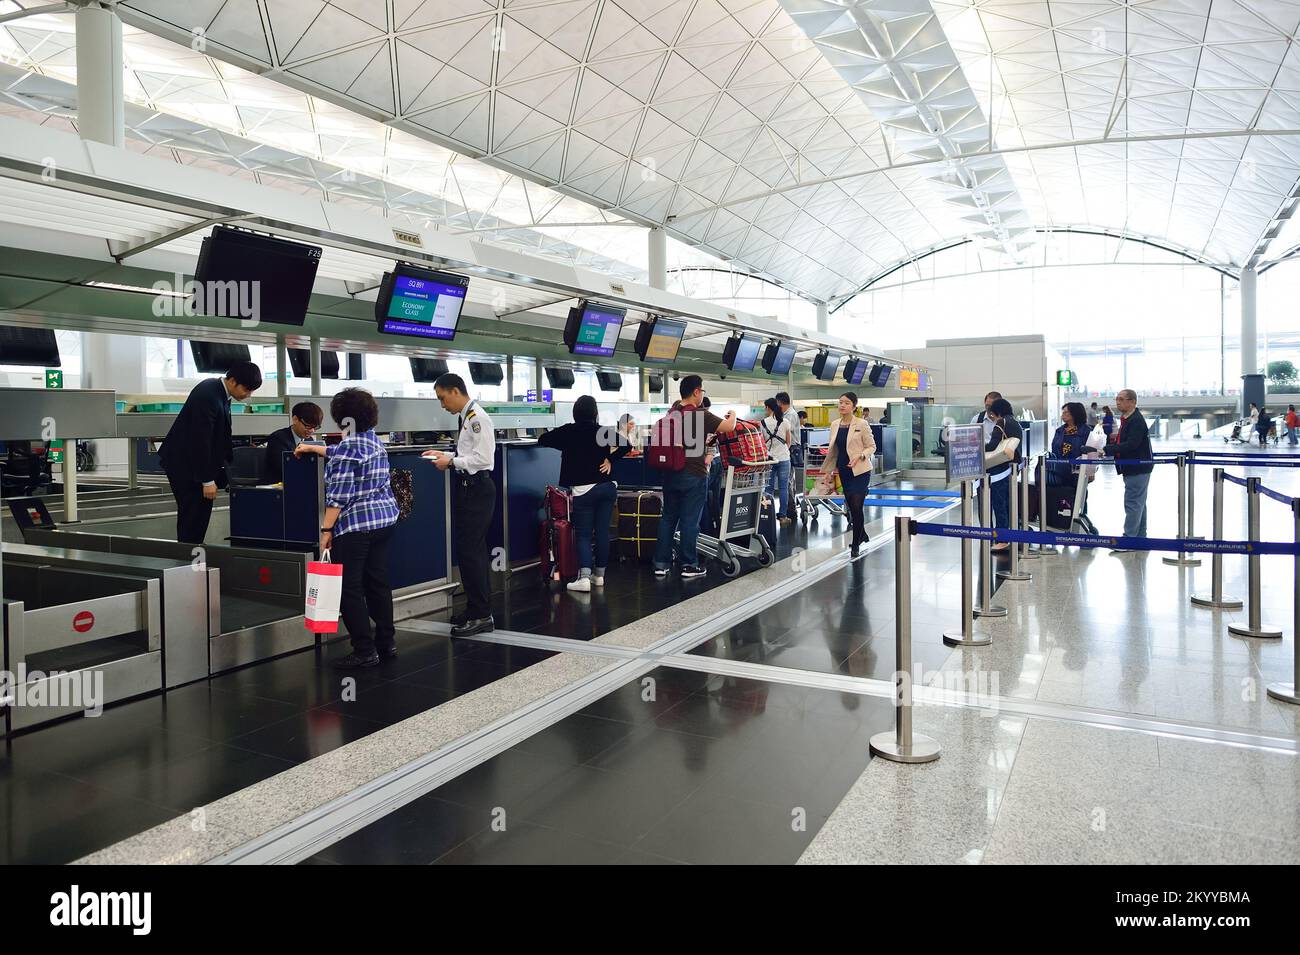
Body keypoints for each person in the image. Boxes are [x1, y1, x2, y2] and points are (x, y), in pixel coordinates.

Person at [294, 389, 399, 669]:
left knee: (349, 589)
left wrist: (326, 531)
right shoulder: (373, 441)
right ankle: (386, 643)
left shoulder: (347, 450)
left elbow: (338, 497)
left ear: (341, 418)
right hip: (384, 522)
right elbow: (344, 454)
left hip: (356, 529)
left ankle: (364, 650)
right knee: (377, 583)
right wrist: (316, 448)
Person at [424, 373, 496, 636]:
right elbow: (469, 454)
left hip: (478, 489)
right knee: (469, 552)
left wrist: (451, 462)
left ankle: (482, 615)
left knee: (472, 552)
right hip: (470, 488)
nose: (442, 405)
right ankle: (476, 609)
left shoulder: (478, 419)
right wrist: (447, 456)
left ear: (455, 391)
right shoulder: (466, 417)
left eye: (443, 398)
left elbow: (483, 458)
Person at [159, 360, 262, 544]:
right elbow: (200, 440)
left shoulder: (219, 392)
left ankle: (194, 552)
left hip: (194, 465)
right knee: (192, 516)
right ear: (232, 381)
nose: (248, 395)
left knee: (198, 516)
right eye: (246, 389)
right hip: (186, 466)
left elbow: (217, 434)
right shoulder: (208, 395)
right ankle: (189, 558)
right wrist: (207, 480)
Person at [538, 396, 629, 592]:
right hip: (607, 487)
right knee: (603, 531)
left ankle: (584, 578)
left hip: (584, 491)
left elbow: (543, 439)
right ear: (595, 413)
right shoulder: (602, 432)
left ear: (575, 413)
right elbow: (626, 445)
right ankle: (600, 576)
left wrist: (563, 442)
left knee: (584, 535)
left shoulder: (568, 431)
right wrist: (610, 459)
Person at [654, 375, 735, 578]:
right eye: (703, 391)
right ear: (697, 392)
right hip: (694, 474)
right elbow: (729, 427)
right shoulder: (699, 415)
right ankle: (689, 564)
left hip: (670, 474)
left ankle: (661, 564)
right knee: (690, 521)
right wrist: (732, 414)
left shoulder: (670, 414)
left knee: (668, 518)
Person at [1102, 389, 1153, 551]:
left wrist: (1108, 449)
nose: (1118, 402)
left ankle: (1129, 539)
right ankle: (1140, 537)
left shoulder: (1136, 420)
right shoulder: (1127, 419)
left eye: (1122, 399)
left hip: (1137, 467)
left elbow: (1132, 444)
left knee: (1133, 502)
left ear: (1132, 402)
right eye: (1117, 399)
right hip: (1135, 467)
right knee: (1139, 502)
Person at [827, 391, 875, 558]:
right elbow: (834, 451)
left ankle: (856, 542)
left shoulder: (861, 424)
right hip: (844, 470)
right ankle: (861, 534)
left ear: (854, 406)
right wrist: (830, 470)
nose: (842, 405)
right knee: (852, 506)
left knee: (856, 505)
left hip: (860, 470)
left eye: (846, 403)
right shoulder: (834, 425)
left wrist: (860, 456)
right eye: (840, 402)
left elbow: (871, 446)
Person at [984, 397, 1022, 549]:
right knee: (1008, 503)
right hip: (1012, 468)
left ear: (997, 412)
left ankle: (1002, 539)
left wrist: (978, 447)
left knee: (999, 505)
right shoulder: (1015, 422)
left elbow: (993, 446)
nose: (992, 417)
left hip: (1000, 468)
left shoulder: (1001, 423)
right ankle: (1010, 535)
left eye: (992, 414)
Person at [263, 401, 323, 484]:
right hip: (279, 486)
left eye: (315, 427)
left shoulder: (309, 441)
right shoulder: (278, 438)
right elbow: (284, 468)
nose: (312, 431)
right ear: (295, 419)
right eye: (308, 426)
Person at [760, 397, 793, 523]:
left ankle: (768, 515)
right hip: (784, 458)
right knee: (783, 487)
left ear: (768, 408)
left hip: (770, 459)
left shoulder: (762, 423)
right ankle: (783, 516)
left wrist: (771, 451)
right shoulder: (785, 422)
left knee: (768, 488)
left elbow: (762, 443)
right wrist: (783, 451)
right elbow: (788, 442)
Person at [776, 392, 800, 519]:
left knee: (788, 482)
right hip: (789, 449)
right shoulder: (789, 414)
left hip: (789, 450)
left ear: (780, 402)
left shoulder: (789, 415)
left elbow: (786, 435)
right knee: (789, 480)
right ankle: (790, 508)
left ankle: (790, 510)